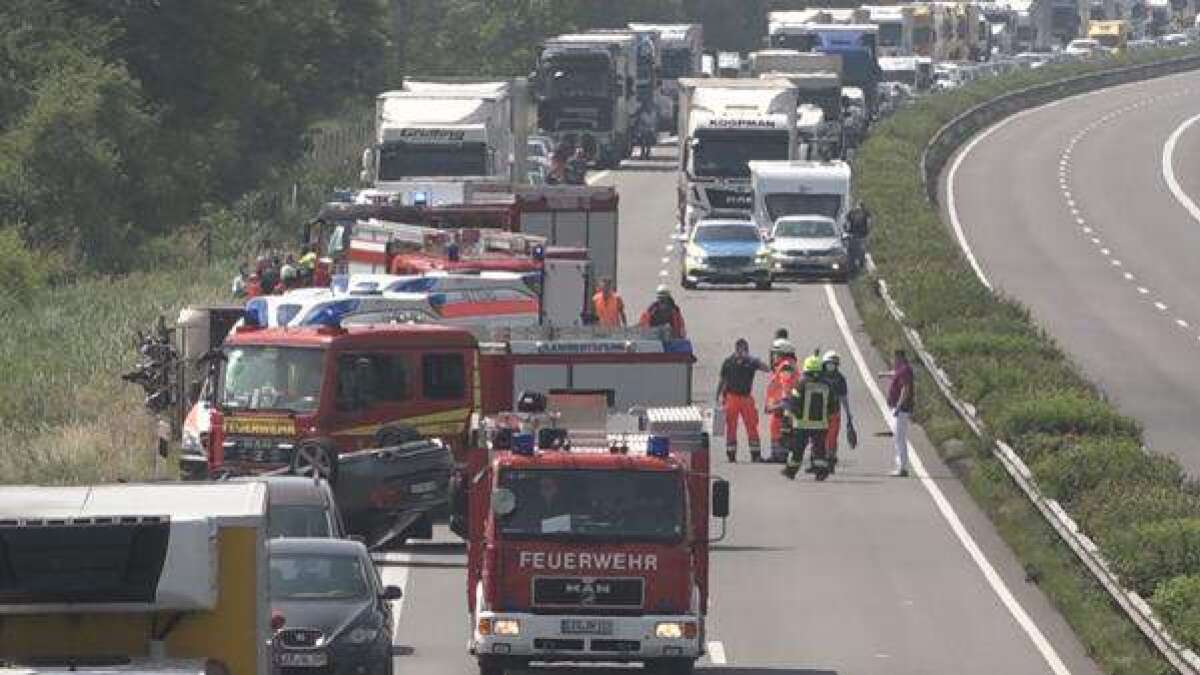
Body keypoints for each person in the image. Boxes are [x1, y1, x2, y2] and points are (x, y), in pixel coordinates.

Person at [781, 355, 841, 481]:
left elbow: (793, 403)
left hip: (802, 425)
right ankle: (821, 472)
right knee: (819, 450)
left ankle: (791, 471)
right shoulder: (828, 385)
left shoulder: (801, 384)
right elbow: (833, 406)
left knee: (797, 450)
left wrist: (787, 423)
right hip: (820, 426)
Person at [717, 338, 770, 463]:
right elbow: (722, 380)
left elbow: (767, 369)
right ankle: (731, 455)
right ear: (736, 349)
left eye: (745, 350)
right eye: (741, 349)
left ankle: (755, 455)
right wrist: (718, 396)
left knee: (752, 425)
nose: (742, 352)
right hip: (731, 398)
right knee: (731, 426)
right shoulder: (728, 362)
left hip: (746, 398)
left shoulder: (751, 362)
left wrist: (754, 360)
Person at [879, 349, 914, 477]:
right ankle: (901, 466)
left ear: (899, 357)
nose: (893, 361)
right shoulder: (902, 370)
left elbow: (905, 389)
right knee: (897, 437)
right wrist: (884, 374)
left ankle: (902, 468)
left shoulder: (905, 371)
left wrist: (899, 406)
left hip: (902, 409)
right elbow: (895, 374)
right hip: (899, 409)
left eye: (894, 358)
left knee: (899, 438)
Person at [821, 350, 858, 474]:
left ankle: (830, 460)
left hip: (834, 413)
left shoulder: (840, 379)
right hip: (819, 414)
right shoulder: (819, 376)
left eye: (834, 364)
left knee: (831, 438)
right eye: (829, 363)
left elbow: (843, 398)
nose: (831, 366)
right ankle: (820, 460)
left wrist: (848, 415)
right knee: (819, 438)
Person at [765, 341, 800, 463]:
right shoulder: (787, 364)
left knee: (778, 427)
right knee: (778, 428)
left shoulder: (785, 366)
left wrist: (784, 403)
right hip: (782, 404)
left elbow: (786, 385)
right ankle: (778, 453)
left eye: (776, 354)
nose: (774, 357)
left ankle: (780, 454)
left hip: (783, 405)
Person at [846, 201, 871, 272]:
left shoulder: (851, 212)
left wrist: (848, 231)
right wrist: (868, 232)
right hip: (862, 235)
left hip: (853, 235)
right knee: (862, 250)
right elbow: (869, 223)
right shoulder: (866, 212)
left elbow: (848, 224)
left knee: (852, 250)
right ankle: (861, 264)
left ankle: (852, 266)